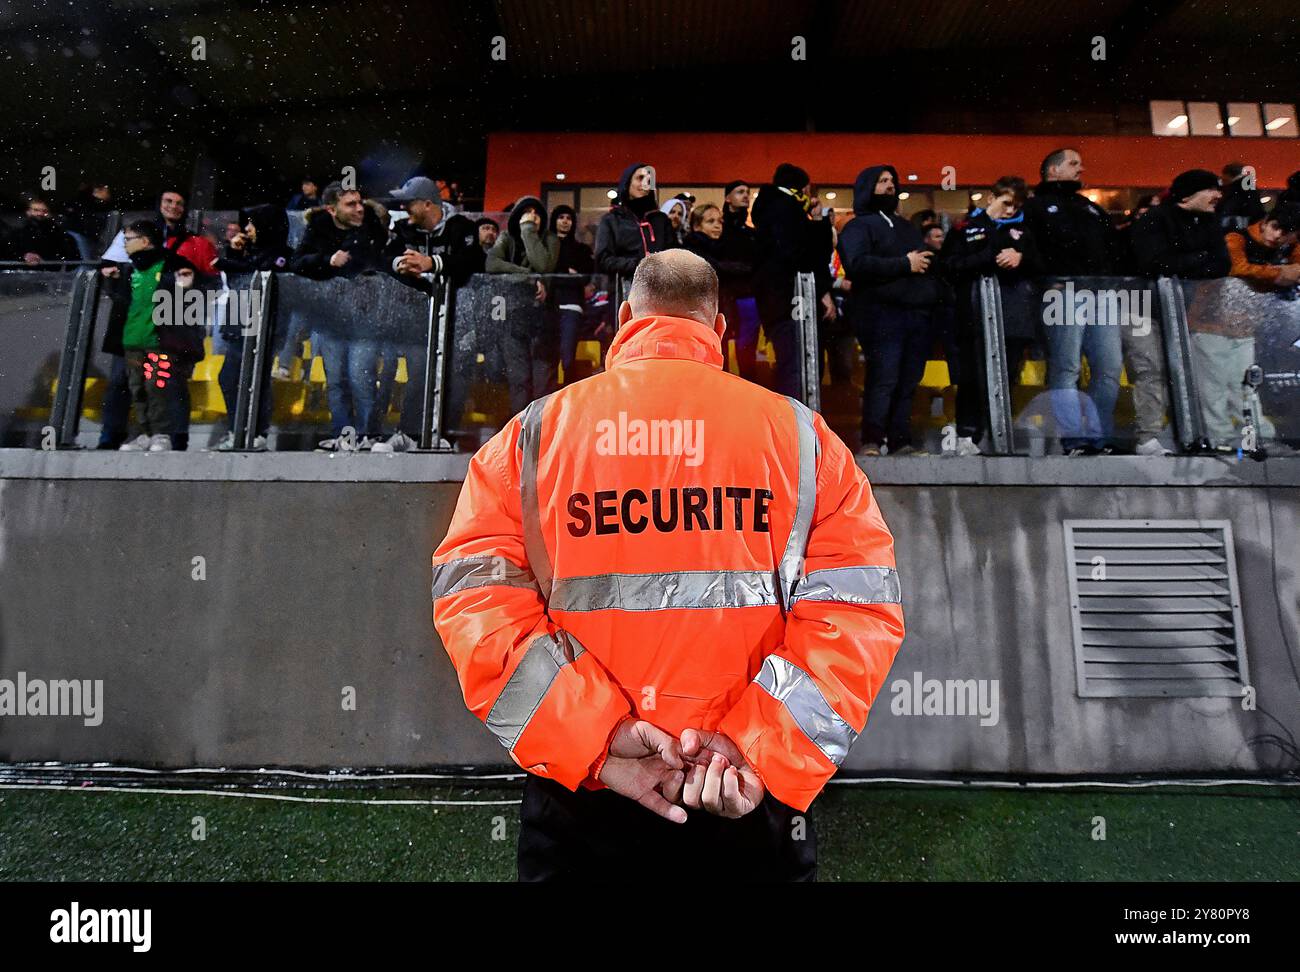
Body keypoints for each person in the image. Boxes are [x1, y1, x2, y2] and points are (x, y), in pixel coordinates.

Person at [431, 249, 904, 882]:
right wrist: (753, 747)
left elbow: (476, 601)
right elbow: (856, 611)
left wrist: (598, 741)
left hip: (587, 796)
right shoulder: (804, 438)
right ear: (720, 329)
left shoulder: (531, 436)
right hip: (739, 796)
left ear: (625, 317)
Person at [837, 164, 948, 456]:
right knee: (884, 377)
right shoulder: (858, 226)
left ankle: (900, 440)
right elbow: (857, 265)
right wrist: (904, 264)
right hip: (881, 315)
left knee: (908, 380)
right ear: (867, 187)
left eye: (892, 181)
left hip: (915, 315)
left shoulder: (905, 227)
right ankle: (872, 439)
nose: (889, 185)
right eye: (882, 181)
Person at [1022, 148, 1121, 455]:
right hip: (1062, 294)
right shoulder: (1035, 207)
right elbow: (1030, 248)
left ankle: (1098, 436)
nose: (1081, 168)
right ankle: (1073, 437)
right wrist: (1048, 279)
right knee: (1066, 366)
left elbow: (1113, 246)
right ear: (1052, 170)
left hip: (1101, 293)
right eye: (1073, 163)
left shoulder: (1089, 207)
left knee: (1110, 367)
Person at [940, 176, 1042, 455]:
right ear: (990, 198)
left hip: (1013, 319)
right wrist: (987, 256)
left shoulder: (1025, 232)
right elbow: (948, 266)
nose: (1010, 211)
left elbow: (1040, 266)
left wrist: (1021, 259)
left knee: (1006, 378)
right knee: (971, 377)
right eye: (1006, 203)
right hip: (973, 317)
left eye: (1016, 206)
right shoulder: (964, 228)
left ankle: (998, 435)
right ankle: (967, 436)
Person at [1131, 169, 1230, 455]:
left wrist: (1183, 263)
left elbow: (1222, 265)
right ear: (1188, 195)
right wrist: (1199, 259)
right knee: (1152, 368)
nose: (1218, 196)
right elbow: (1154, 262)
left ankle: (1190, 433)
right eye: (1211, 189)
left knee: (1191, 371)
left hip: (1188, 313)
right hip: (1143, 309)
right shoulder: (1155, 219)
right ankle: (1147, 436)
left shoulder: (1210, 223)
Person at [1189, 205, 1300, 451]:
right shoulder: (1237, 238)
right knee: (1213, 388)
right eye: (1275, 228)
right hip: (1211, 323)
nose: (1277, 236)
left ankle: (1256, 436)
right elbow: (1236, 267)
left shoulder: (1286, 247)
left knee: (1245, 386)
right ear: (1266, 221)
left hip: (1245, 326)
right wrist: (1280, 272)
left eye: (1286, 234)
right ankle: (1218, 438)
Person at [291, 181, 391, 451]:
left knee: (361, 376)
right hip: (330, 319)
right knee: (336, 380)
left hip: (365, 318)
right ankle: (344, 436)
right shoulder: (318, 229)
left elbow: (373, 260)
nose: (359, 208)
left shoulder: (371, 227)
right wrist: (327, 260)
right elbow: (298, 263)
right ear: (332, 210)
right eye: (351, 204)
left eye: (360, 202)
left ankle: (370, 435)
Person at [112, 221, 202, 452]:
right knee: (137, 388)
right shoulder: (128, 269)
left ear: (144, 242)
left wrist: (186, 286)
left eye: (128, 240)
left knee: (156, 386)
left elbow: (191, 292)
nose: (125, 245)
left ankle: (162, 433)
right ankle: (146, 432)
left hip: (159, 341)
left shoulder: (171, 264)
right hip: (133, 340)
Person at [750, 163, 835, 398]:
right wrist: (823, 290)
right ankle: (800, 430)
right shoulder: (788, 210)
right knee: (800, 370)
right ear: (802, 187)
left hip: (780, 304)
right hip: (795, 302)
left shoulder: (771, 210)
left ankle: (794, 427)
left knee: (792, 367)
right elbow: (808, 255)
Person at [212, 204, 291, 450]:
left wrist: (228, 262)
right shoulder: (248, 253)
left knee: (255, 380)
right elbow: (238, 281)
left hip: (261, 329)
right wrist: (233, 256)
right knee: (229, 378)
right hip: (239, 327)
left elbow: (262, 275)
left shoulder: (282, 255)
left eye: (252, 224)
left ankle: (256, 433)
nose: (247, 229)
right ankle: (237, 430)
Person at [486, 196, 561, 413]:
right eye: (527, 213)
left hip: (542, 319)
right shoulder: (506, 238)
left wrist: (528, 231)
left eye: (536, 213)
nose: (532, 217)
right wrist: (527, 276)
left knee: (543, 381)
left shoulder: (551, 240)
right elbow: (491, 263)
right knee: (518, 379)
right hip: (513, 317)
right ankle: (520, 434)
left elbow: (543, 264)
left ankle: (542, 434)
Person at [594, 162, 675, 292]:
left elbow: (673, 254)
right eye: (639, 178)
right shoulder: (612, 219)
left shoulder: (661, 220)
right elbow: (603, 259)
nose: (644, 184)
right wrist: (639, 265)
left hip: (661, 290)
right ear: (627, 183)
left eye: (649, 181)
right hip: (622, 289)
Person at [547, 204, 595, 385]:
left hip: (572, 306)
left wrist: (560, 274)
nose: (565, 221)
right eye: (561, 217)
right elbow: (545, 270)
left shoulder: (581, 249)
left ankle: (567, 402)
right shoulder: (546, 247)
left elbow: (586, 276)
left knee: (568, 359)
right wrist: (567, 273)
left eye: (568, 218)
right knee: (548, 359)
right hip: (548, 307)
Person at [720, 180, 761, 380]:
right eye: (740, 192)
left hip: (747, 297)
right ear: (728, 198)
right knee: (722, 348)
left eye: (747, 192)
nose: (745, 195)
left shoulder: (751, 233)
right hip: (725, 296)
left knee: (747, 350)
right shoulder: (719, 231)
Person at [10, 196, 80, 266]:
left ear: (49, 214)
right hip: (21, 273)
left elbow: (71, 259)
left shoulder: (60, 234)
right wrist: (23, 257)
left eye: (44, 211)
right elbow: (8, 254)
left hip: (53, 273)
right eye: (36, 210)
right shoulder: (17, 233)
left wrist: (44, 260)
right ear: (28, 212)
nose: (40, 214)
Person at [1217, 162, 1265, 231]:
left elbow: (1229, 208)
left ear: (1228, 175)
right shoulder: (1248, 187)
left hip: (1236, 229)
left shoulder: (1236, 189)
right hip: (1247, 228)